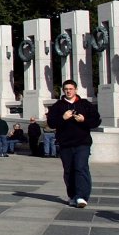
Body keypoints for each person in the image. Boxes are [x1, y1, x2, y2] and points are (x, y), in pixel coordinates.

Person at [46, 80, 101, 209]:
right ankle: (73, 195)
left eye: (71, 88)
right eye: (66, 89)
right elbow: (51, 123)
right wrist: (63, 118)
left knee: (81, 167)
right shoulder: (58, 106)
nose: (68, 91)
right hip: (65, 144)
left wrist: (84, 120)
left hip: (82, 142)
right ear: (63, 90)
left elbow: (96, 121)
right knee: (68, 170)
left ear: (76, 90)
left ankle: (82, 196)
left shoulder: (85, 104)